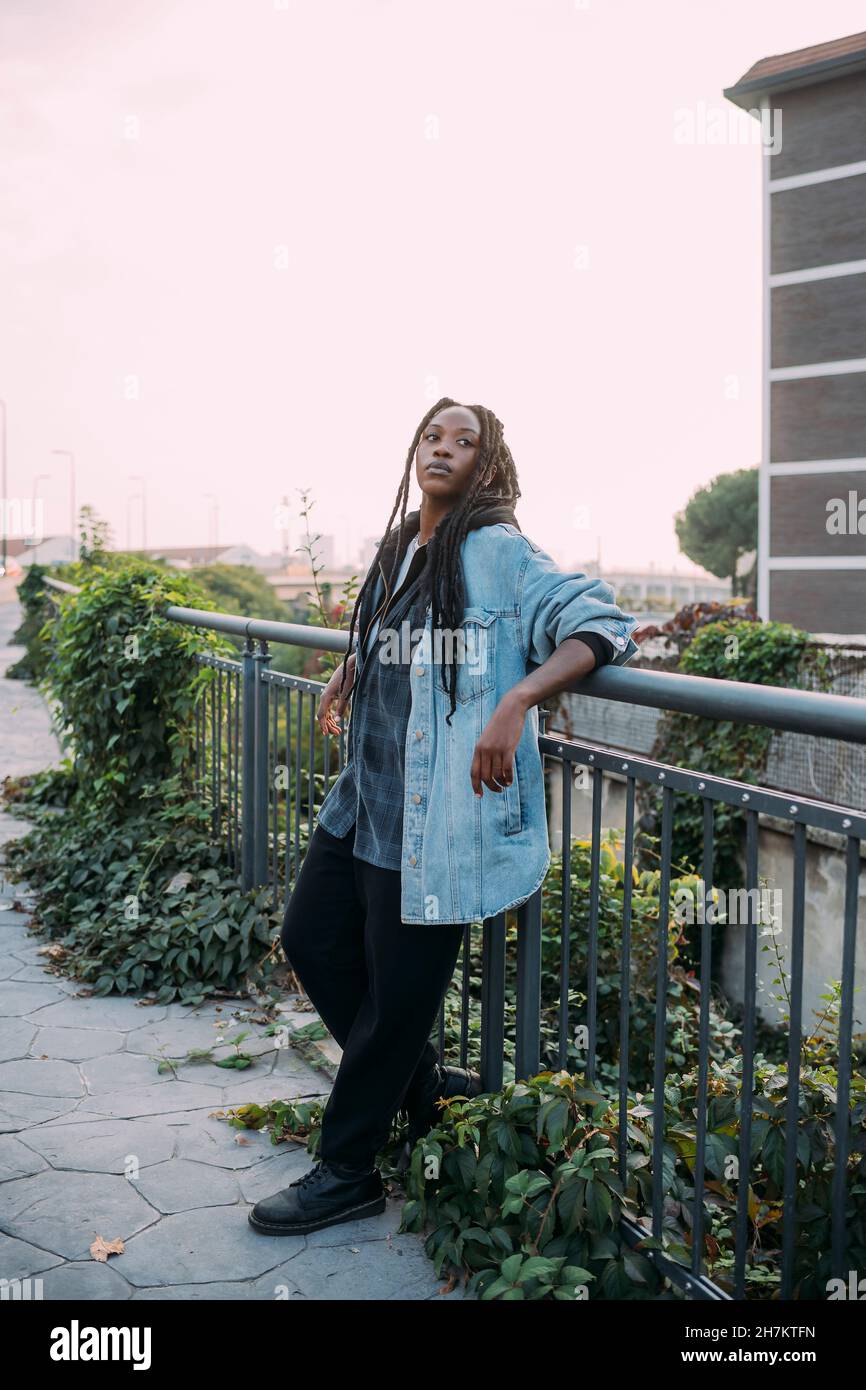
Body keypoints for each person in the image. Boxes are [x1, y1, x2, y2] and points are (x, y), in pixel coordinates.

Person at [248, 398, 639, 1237]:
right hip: (367, 801)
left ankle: (348, 1168)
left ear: (486, 468)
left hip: (437, 828)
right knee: (310, 941)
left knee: (396, 1001)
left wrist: (518, 701)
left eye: (466, 442)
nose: (445, 449)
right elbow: (399, 639)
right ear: (413, 451)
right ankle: (423, 1088)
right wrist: (353, 665)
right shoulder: (400, 551)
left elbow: (601, 622)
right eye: (434, 436)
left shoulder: (497, 552)